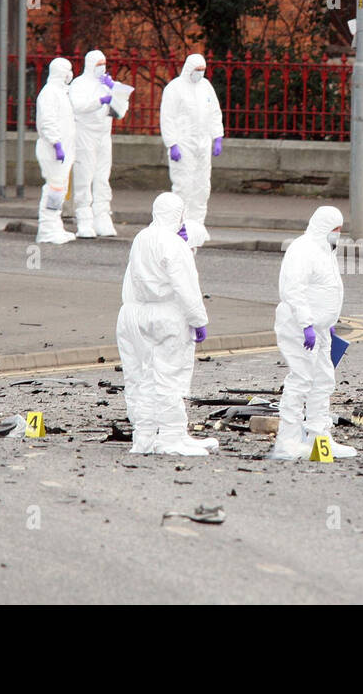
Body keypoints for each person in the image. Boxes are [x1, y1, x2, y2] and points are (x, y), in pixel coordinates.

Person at [115, 192, 216, 456]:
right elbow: (186, 287)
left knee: (141, 378)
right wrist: (198, 319)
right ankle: (171, 438)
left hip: (134, 314)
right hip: (166, 317)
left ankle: (144, 438)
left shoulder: (142, 238)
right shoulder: (173, 244)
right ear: (179, 215)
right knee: (169, 377)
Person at [270, 206, 356, 460]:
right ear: (324, 228)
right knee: (301, 381)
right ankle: (288, 442)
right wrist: (306, 323)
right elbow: (293, 289)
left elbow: (323, 289)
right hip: (300, 327)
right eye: (335, 230)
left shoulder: (324, 250)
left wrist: (326, 321)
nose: (338, 235)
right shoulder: (303, 249)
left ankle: (320, 439)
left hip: (320, 329)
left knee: (322, 381)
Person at [159, 54, 223, 233]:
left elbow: (214, 112)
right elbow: (167, 117)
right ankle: (179, 224)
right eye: (197, 70)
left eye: (203, 70)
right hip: (183, 142)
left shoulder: (206, 87)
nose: (200, 74)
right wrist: (172, 143)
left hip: (203, 142)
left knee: (202, 186)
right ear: (189, 69)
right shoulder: (175, 88)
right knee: (183, 185)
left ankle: (197, 226)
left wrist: (217, 136)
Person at [69, 49, 128, 238]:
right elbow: (77, 106)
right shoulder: (79, 84)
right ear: (89, 65)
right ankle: (84, 217)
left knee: (102, 176)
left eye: (104, 63)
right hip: (85, 133)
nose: (102, 68)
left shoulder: (107, 84)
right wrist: (99, 101)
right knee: (84, 175)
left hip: (104, 134)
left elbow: (121, 110)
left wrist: (115, 90)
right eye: (98, 64)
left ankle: (102, 216)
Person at [34, 57, 77, 245]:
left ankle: (54, 225)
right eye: (68, 70)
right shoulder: (50, 93)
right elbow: (48, 121)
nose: (70, 74)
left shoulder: (61, 92)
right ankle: (46, 228)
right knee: (54, 188)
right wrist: (56, 144)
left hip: (62, 149)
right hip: (52, 150)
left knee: (60, 188)